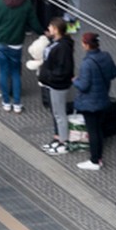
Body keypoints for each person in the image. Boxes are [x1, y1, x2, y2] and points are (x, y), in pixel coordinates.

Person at [0, 0, 44, 114]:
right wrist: (43, 32)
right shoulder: (26, 4)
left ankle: (6, 102)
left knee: (4, 72)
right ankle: (17, 103)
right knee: (16, 73)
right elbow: (34, 23)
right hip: (16, 44)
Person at [72, 32, 116, 170]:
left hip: (90, 103)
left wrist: (75, 81)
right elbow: (114, 73)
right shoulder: (106, 56)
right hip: (103, 99)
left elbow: (84, 86)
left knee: (93, 131)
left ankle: (94, 160)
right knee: (98, 129)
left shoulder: (87, 64)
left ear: (87, 45)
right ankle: (98, 157)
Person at [38, 18, 75, 154]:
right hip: (52, 83)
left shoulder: (62, 47)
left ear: (57, 29)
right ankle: (58, 137)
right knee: (56, 113)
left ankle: (63, 142)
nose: (49, 28)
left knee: (60, 114)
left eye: (51, 26)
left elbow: (63, 68)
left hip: (57, 84)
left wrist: (50, 77)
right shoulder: (57, 43)